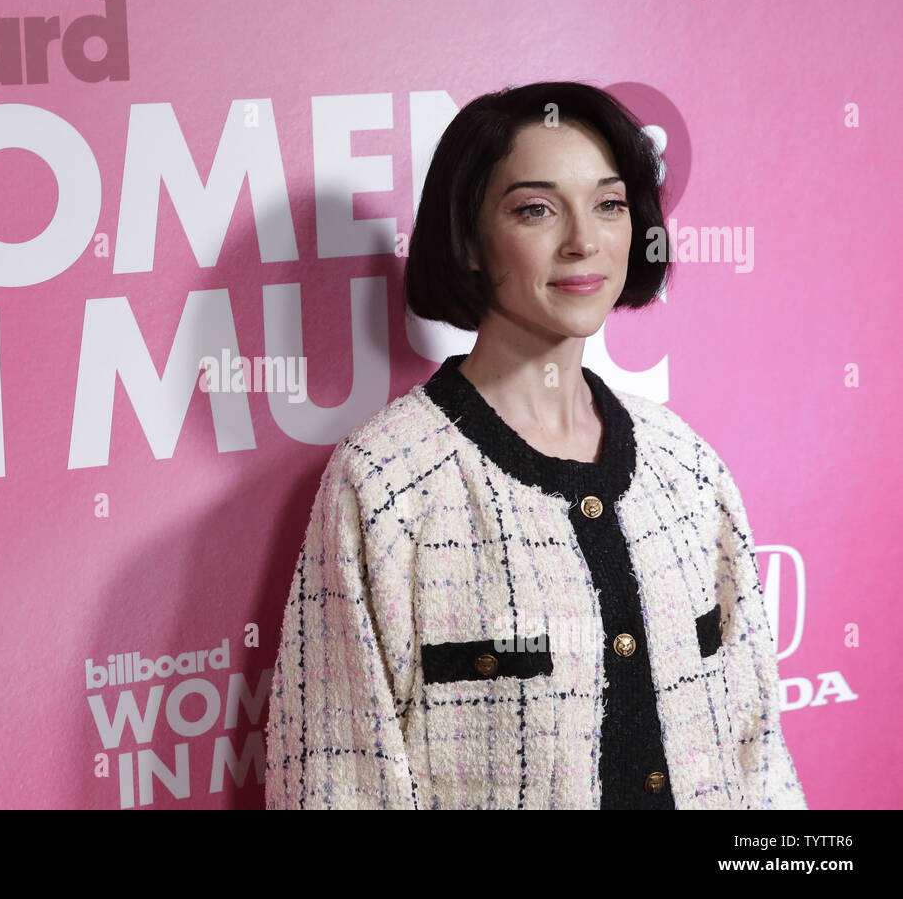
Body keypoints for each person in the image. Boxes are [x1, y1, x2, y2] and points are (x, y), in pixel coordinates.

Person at [264, 81, 807, 810]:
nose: (584, 239)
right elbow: (338, 780)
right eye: (536, 208)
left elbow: (758, 753)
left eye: (610, 204)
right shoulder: (386, 481)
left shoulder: (686, 464)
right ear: (468, 241)